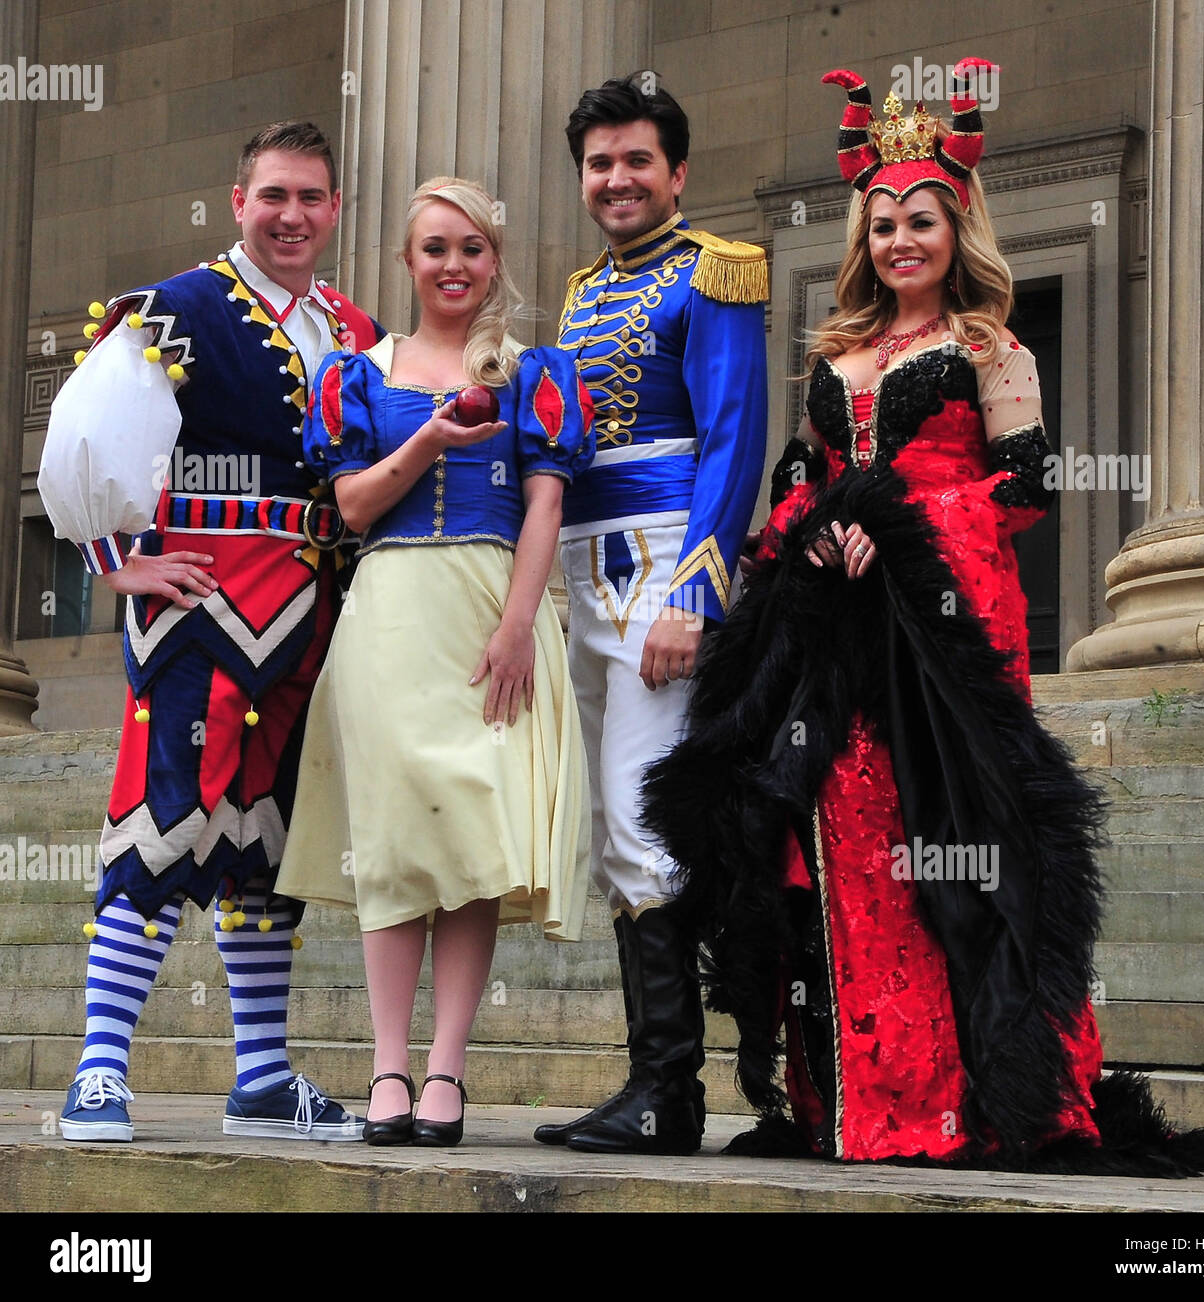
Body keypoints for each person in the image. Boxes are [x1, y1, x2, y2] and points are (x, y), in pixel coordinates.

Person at [642, 61, 1204, 1176]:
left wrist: (903, 525)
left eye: (919, 222)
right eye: (880, 226)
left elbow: (1022, 487)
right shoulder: (835, 355)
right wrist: (812, 523)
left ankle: (962, 1102)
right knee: (839, 845)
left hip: (938, 638)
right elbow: (802, 474)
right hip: (836, 639)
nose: (898, 243)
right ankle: (853, 1103)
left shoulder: (991, 350)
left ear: (956, 226)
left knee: (958, 853)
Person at [38, 122, 382, 1143]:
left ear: (332, 209)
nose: (290, 215)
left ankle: (264, 1076)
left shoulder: (355, 328)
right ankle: (99, 1069)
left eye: (310, 197)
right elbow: (87, 435)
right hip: (199, 607)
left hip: (310, 620)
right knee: (159, 818)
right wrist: (113, 560)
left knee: (268, 844)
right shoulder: (181, 309)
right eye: (273, 195)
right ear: (238, 201)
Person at [275, 177, 594, 1147]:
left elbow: (546, 504)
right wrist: (428, 434)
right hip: (391, 616)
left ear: (493, 258)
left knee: (470, 847)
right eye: (434, 249)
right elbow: (355, 509)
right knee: (391, 840)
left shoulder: (533, 370)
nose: (453, 265)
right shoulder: (357, 375)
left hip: (492, 612)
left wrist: (517, 624)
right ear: (407, 262)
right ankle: (385, 1068)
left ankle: (446, 1069)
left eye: (471, 248)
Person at [531, 74, 769, 1156]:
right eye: (599, 163)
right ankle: (651, 1086)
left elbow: (731, 438)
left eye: (636, 160)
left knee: (637, 816)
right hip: (582, 569)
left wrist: (696, 592)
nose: (616, 179)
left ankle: (670, 1094)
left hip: (662, 565)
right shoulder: (581, 293)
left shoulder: (718, 272)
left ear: (677, 172)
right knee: (606, 825)